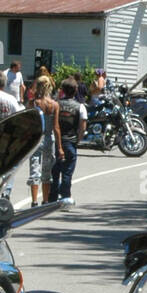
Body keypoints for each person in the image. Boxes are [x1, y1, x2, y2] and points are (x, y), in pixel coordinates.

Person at [28, 76, 62, 207]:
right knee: (47, 171)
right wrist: (60, 147)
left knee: (34, 169)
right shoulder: (54, 105)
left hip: (36, 138)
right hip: (49, 138)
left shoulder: (34, 103)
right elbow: (56, 127)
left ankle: (34, 200)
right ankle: (45, 200)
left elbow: (29, 122)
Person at [52, 78, 86, 202]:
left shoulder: (56, 104)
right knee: (67, 172)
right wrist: (78, 139)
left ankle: (52, 197)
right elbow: (82, 127)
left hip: (56, 141)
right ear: (75, 90)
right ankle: (65, 197)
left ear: (63, 90)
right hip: (71, 142)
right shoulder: (80, 107)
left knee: (54, 171)